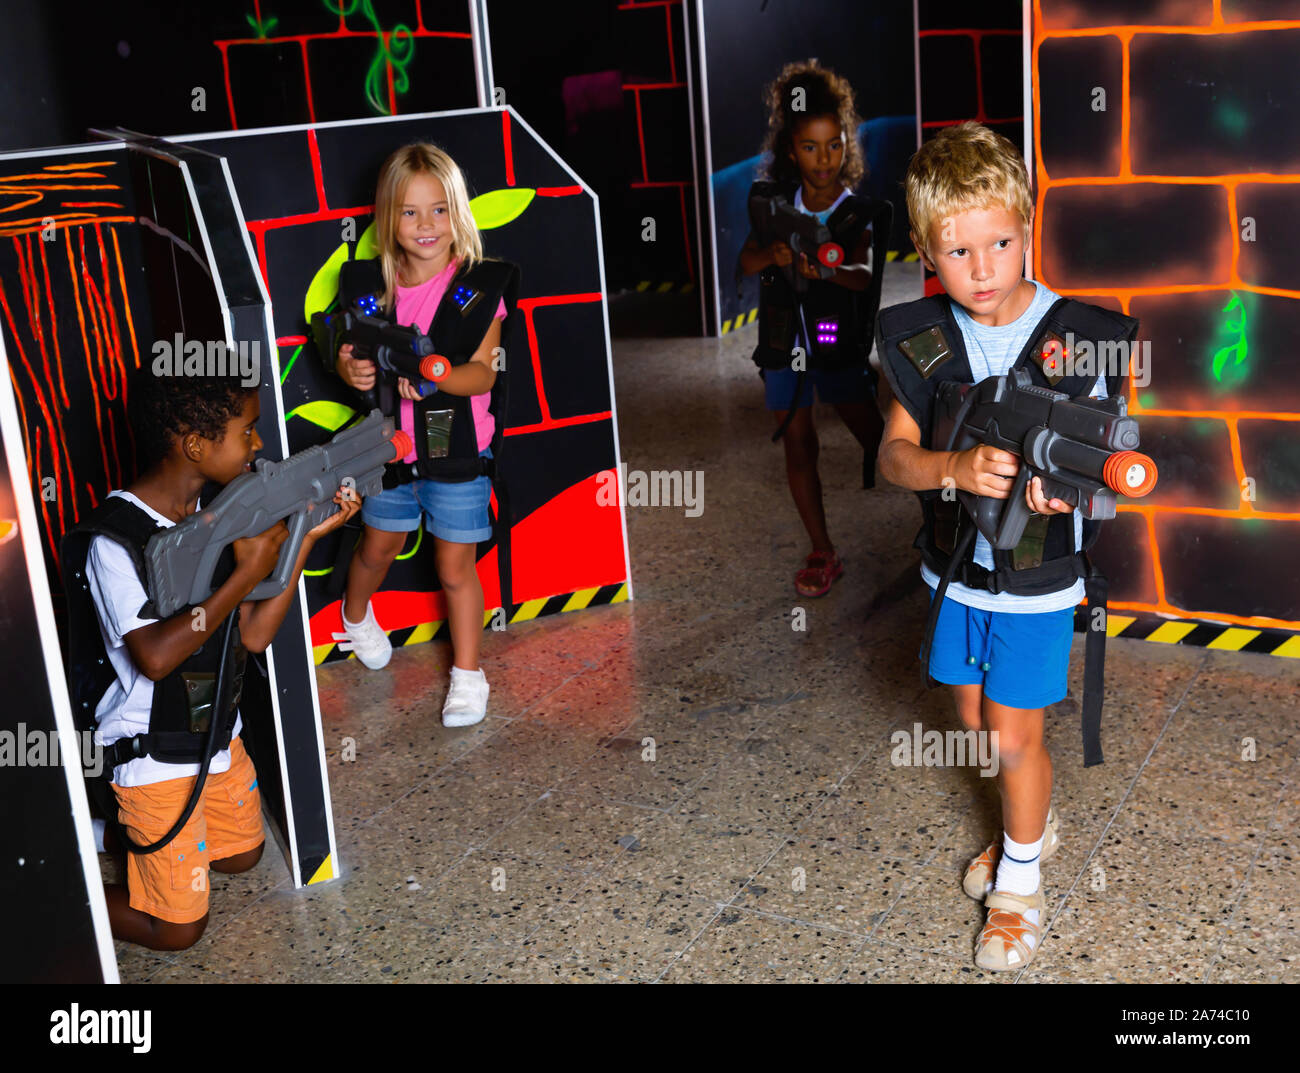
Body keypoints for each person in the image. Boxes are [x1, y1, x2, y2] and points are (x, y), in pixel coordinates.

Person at [876, 122, 1136, 970]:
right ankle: (1033, 819)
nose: (982, 268)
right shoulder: (919, 337)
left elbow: (1104, 468)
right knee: (969, 716)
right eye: (957, 251)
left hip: (1039, 582)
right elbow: (892, 456)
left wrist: (1062, 489)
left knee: (1014, 733)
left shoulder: (1079, 334)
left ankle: (1019, 883)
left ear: (1028, 226)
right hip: (954, 573)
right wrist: (950, 464)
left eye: (1000, 241)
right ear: (925, 250)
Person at [69, 371, 358, 950]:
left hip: (215, 733)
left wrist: (299, 543)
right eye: (247, 431)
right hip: (153, 749)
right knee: (179, 930)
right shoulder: (114, 539)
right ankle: (53, 895)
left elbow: (252, 636)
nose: (257, 445)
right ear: (196, 445)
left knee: (242, 856)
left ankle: (129, 841)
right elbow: (153, 657)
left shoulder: (218, 515)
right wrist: (246, 573)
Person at [327, 142, 517, 728]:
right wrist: (349, 367)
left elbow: (484, 370)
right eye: (410, 212)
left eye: (438, 210)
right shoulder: (367, 284)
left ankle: (467, 675)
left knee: (455, 568)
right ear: (388, 219)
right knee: (377, 546)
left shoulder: (477, 288)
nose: (426, 225)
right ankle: (356, 617)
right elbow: (347, 351)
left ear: (457, 213)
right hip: (389, 450)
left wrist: (437, 376)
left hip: (456, 450)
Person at [739, 60, 886, 597]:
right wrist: (771, 254)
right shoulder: (771, 206)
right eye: (809, 147)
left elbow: (864, 277)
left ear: (847, 143)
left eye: (834, 145)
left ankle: (938, 515)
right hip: (783, 346)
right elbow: (744, 264)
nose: (823, 159)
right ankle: (822, 550)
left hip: (836, 343)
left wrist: (825, 269)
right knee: (798, 446)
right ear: (790, 149)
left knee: (878, 438)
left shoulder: (857, 212)